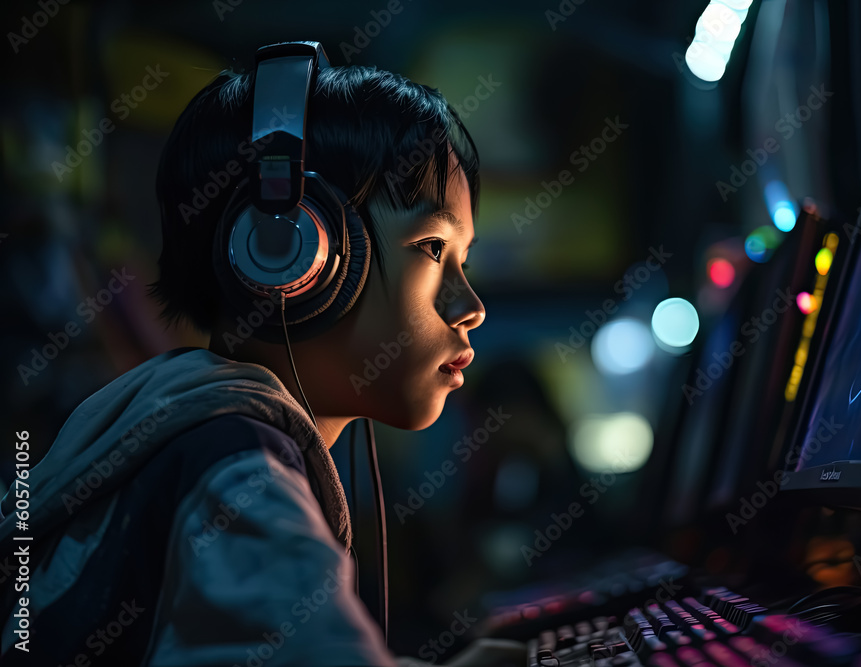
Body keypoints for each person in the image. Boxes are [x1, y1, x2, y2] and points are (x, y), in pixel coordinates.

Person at [0, 42, 523, 667]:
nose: (471, 306)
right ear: (287, 252)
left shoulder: (180, 423)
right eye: (434, 247)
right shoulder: (238, 472)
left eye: (462, 260)